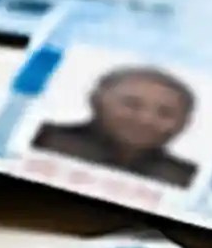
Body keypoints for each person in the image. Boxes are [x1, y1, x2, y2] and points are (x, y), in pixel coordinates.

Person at [32, 66, 199, 188]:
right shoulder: (43, 139)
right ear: (97, 101)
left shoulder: (187, 178)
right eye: (132, 105)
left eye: (165, 113)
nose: (145, 120)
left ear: (184, 123)